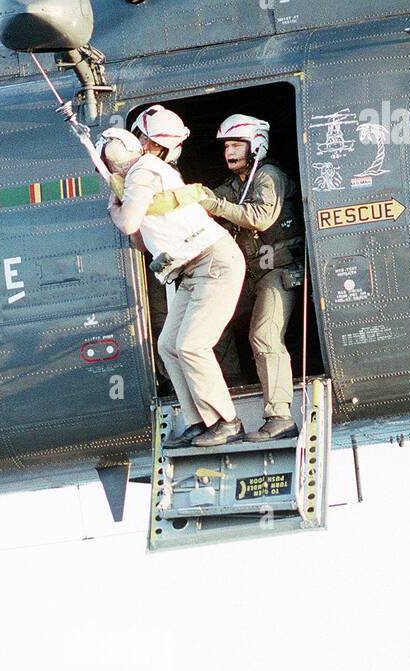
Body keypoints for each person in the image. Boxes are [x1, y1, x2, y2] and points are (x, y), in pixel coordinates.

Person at [103, 109, 246, 448]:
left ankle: (228, 421)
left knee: (191, 345)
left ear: (145, 140)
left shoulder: (146, 171)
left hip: (213, 263)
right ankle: (198, 422)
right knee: (169, 345)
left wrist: (113, 205)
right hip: (190, 270)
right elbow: (138, 238)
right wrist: (122, 197)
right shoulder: (144, 175)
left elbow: (126, 224)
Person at [200, 114, 305, 442]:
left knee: (264, 336)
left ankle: (280, 415)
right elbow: (208, 202)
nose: (228, 151)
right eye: (226, 145)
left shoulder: (268, 176)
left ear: (254, 145)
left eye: (235, 144)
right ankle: (230, 392)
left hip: (279, 272)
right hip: (250, 275)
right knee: (211, 327)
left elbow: (258, 218)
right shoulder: (235, 186)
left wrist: (213, 204)